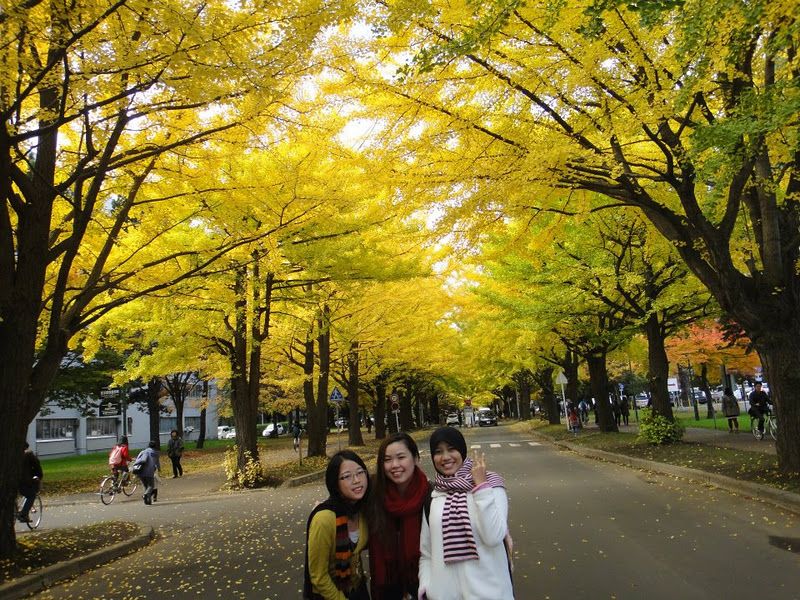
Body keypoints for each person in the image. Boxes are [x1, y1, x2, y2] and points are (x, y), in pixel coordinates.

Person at [418, 427, 513, 600]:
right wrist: (426, 588)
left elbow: (493, 537)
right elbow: (426, 553)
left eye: (452, 449)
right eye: (438, 452)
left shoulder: (491, 485)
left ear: (462, 451)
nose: (445, 457)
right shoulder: (433, 495)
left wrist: (481, 487)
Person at [368, 432, 429, 600]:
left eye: (401, 457)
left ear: (416, 458)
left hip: (425, 585)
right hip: (387, 589)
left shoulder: (430, 495)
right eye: (387, 460)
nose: (394, 465)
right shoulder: (373, 494)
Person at [304, 450, 370, 600]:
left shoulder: (362, 511)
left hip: (359, 590)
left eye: (360, 472)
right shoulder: (324, 519)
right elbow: (318, 577)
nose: (356, 480)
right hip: (332, 595)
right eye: (347, 476)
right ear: (335, 484)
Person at [18, 442, 43, 523]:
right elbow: (36, 466)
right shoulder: (28, 454)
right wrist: (39, 475)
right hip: (23, 481)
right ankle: (23, 515)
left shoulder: (9, 453)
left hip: (9, 479)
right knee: (31, 495)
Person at [134, 440, 161, 505]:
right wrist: (159, 468)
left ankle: (147, 500)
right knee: (151, 485)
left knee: (145, 485)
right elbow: (157, 462)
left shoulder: (143, 452)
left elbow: (138, 459)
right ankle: (146, 494)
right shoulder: (155, 453)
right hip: (149, 471)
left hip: (140, 471)